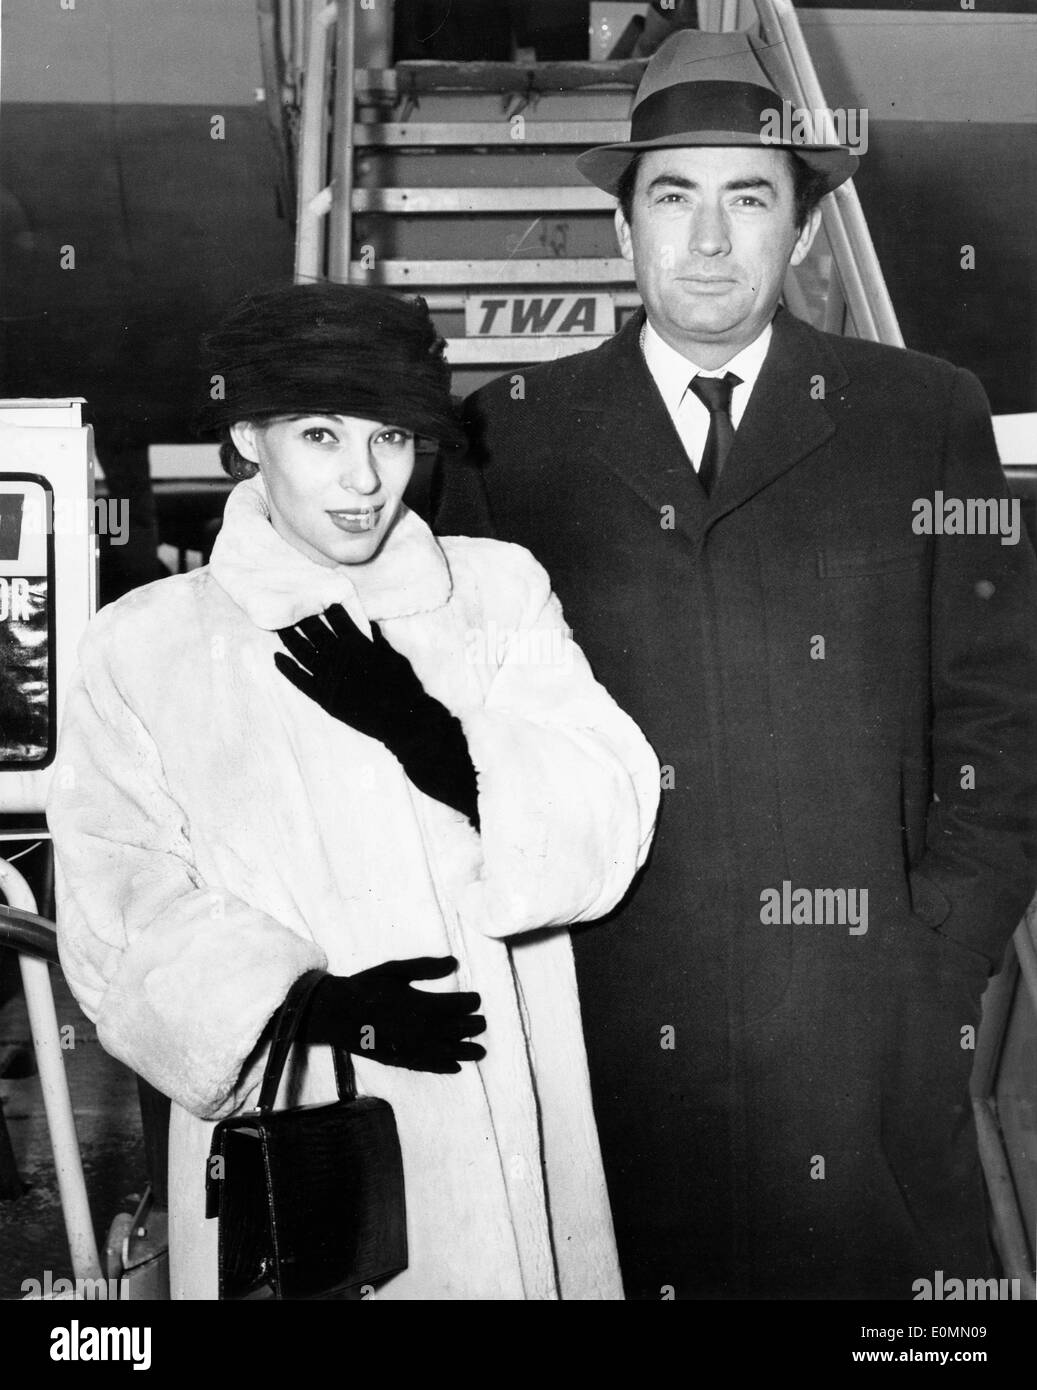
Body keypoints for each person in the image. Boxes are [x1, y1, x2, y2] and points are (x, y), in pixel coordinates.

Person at [435, 29, 1037, 1300]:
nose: (708, 241)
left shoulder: (922, 415)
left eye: (748, 197)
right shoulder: (507, 439)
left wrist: (940, 950)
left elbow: (998, 708)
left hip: (864, 1022)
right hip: (606, 1026)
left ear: (802, 231)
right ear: (621, 228)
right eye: (672, 196)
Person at [47, 282, 660, 1300]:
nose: (364, 480)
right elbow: (115, 906)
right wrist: (313, 1007)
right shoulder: (145, 644)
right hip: (292, 1121)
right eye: (321, 436)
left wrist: (438, 743)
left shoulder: (496, 591)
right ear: (247, 435)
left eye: (390, 438)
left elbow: (610, 804)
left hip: (497, 1102)